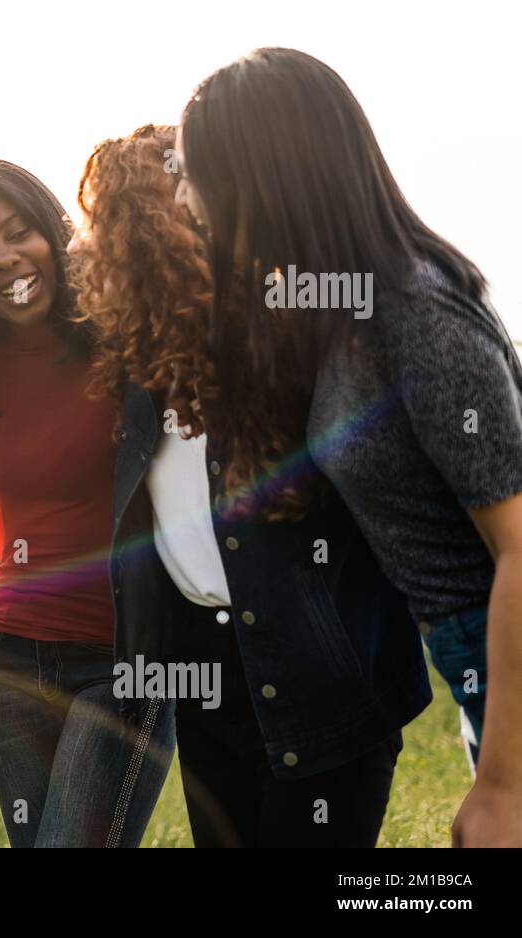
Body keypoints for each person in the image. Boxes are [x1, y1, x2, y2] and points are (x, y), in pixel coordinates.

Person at [177, 48, 522, 847]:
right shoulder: (346, 312)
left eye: (200, 175)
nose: (190, 201)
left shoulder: (417, 313)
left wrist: (505, 783)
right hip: (472, 655)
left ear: (261, 176)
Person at [75, 124, 429, 847]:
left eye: (104, 229)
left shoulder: (287, 332)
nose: (92, 250)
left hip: (322, 665)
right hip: (208, 676)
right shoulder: (136, 361)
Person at [0, 159, 176, 847]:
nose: (5, 260)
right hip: (17, 658)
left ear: (54, 230)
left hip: (125, 654)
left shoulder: (126, 341)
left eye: (18, 233)